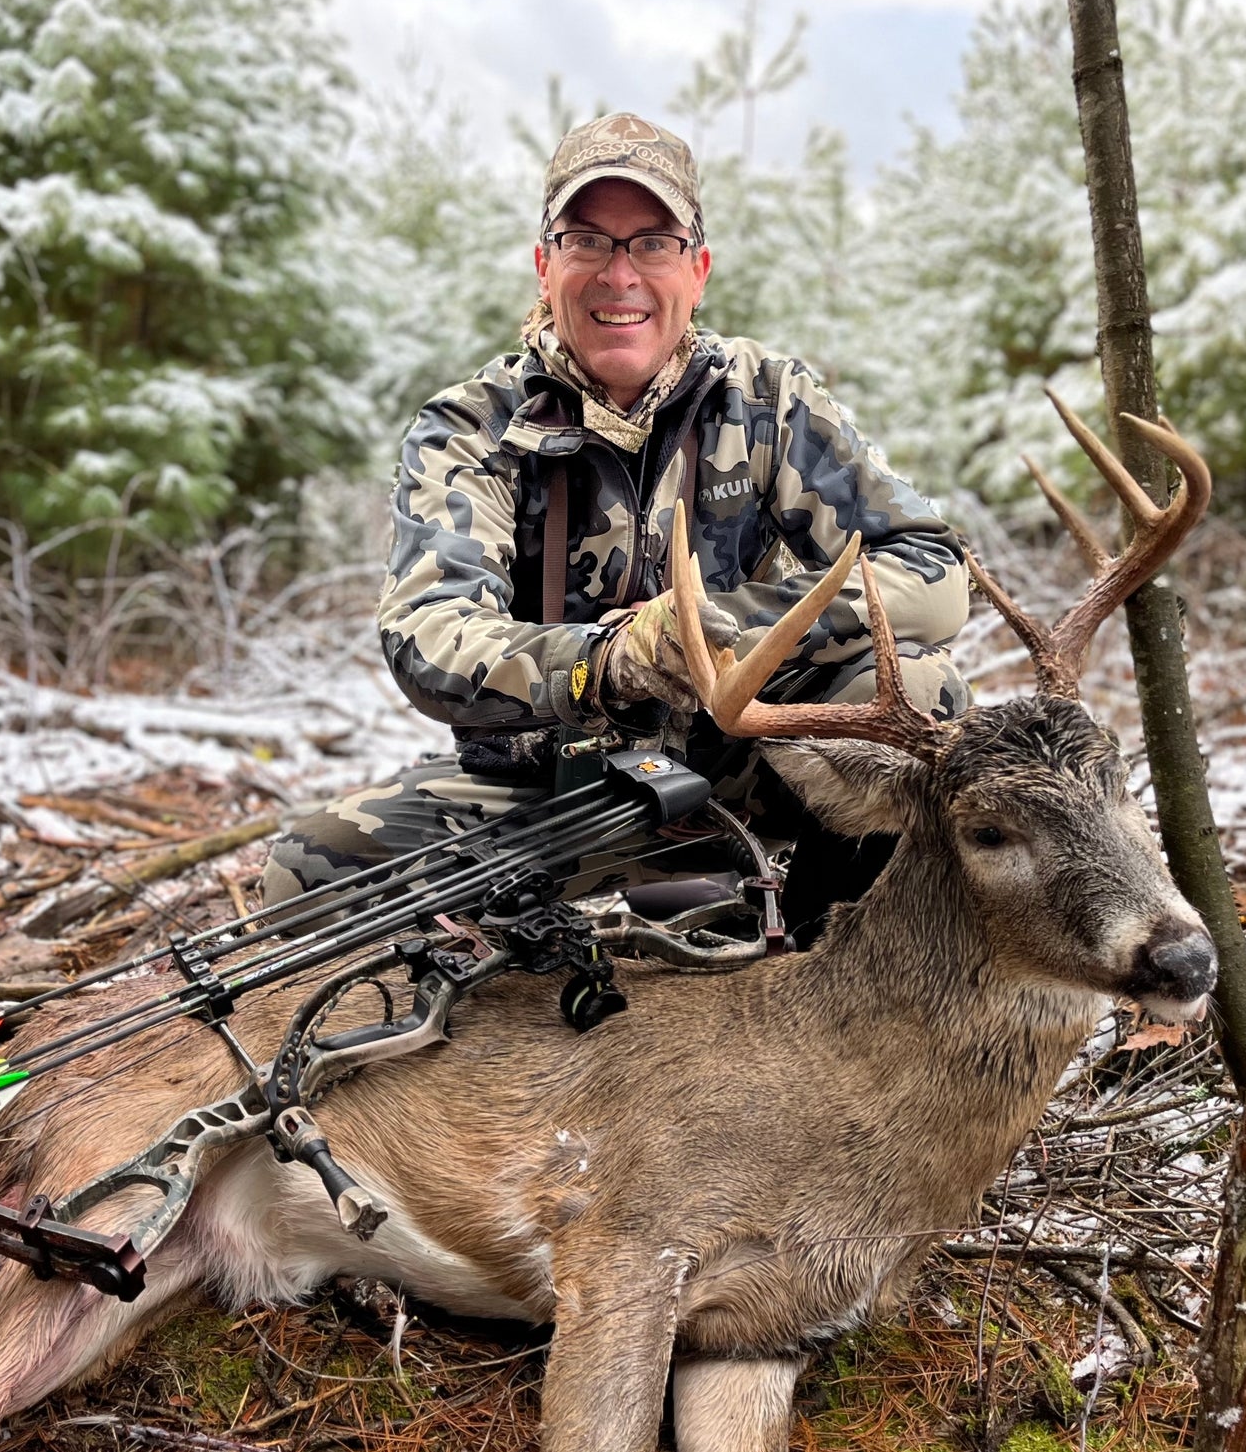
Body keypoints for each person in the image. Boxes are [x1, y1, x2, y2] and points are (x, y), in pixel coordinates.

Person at [262, 112, 971, 934]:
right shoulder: (472, 426)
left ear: (697, 270)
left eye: (653, 243)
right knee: (310, 873)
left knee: (924, 695)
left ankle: (818, 956)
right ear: (545, 265)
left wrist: (717, 625)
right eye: (588, 241)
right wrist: (605, 659)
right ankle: (574, 954)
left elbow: (932, 570)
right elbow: (427, 634)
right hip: (553, 788)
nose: (619, 274)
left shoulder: (767, 398)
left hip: (749, 764)